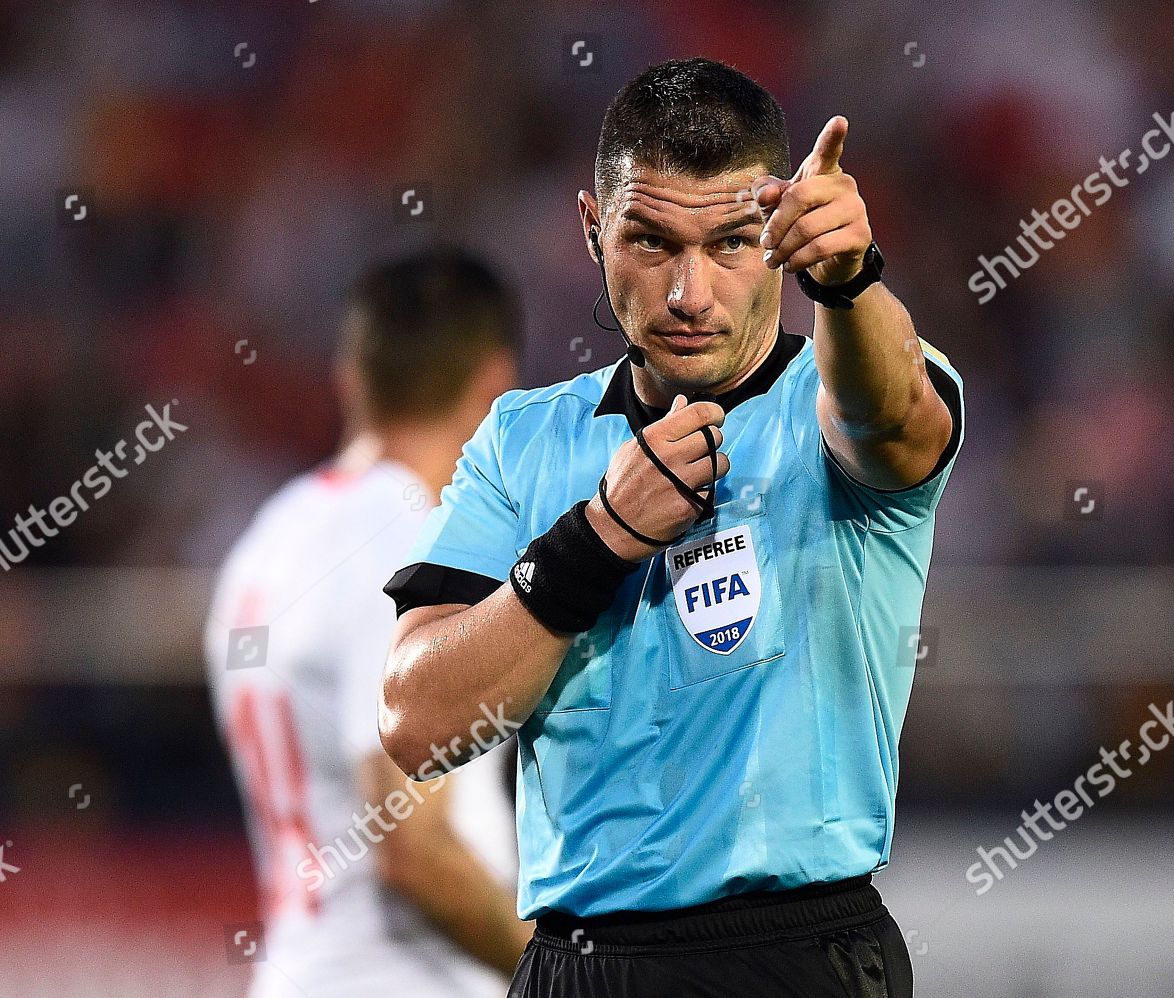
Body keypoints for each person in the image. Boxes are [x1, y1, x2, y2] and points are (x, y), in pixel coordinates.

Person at [380, 58, 964, 998]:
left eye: (733, 244)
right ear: (591, 228)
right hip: (570, 965)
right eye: (650, 244)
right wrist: (596, 539)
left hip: (793, 957)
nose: (690, 294)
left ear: (780, 235)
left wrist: (852, 284)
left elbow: (896, 421)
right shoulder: (523, 440)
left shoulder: (835, 395)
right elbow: (419, 723)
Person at [205, 246, 534, 996]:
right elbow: (412, 850)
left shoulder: (266, 539)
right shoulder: (402, 531)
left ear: (351, 374)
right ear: (495, 387)